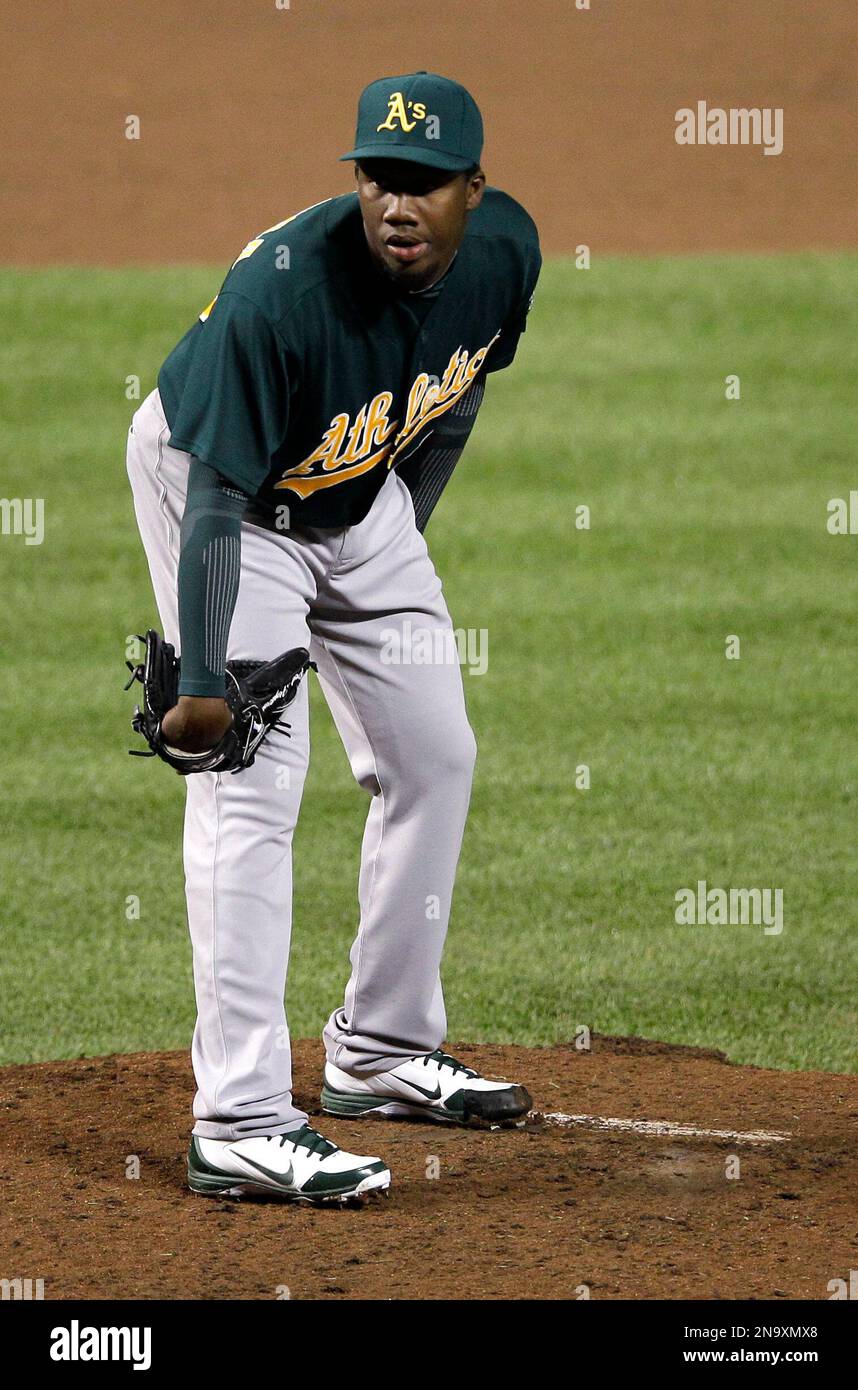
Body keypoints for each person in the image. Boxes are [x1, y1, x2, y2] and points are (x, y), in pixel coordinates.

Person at [126, 71, 542, 1203]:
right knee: (251, 780)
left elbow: (449, 394)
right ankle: (242, 1118)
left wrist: (395, 536)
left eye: (423, 184)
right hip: (226, 500)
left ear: (473, 189)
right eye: (378, 180)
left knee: (433, 754)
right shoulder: (279, 298)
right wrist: (205, 678)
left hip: (358, 505)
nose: (397, 205)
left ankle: (379, 1048)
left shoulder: (506, 256)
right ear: (356, 181)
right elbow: (214, 489)